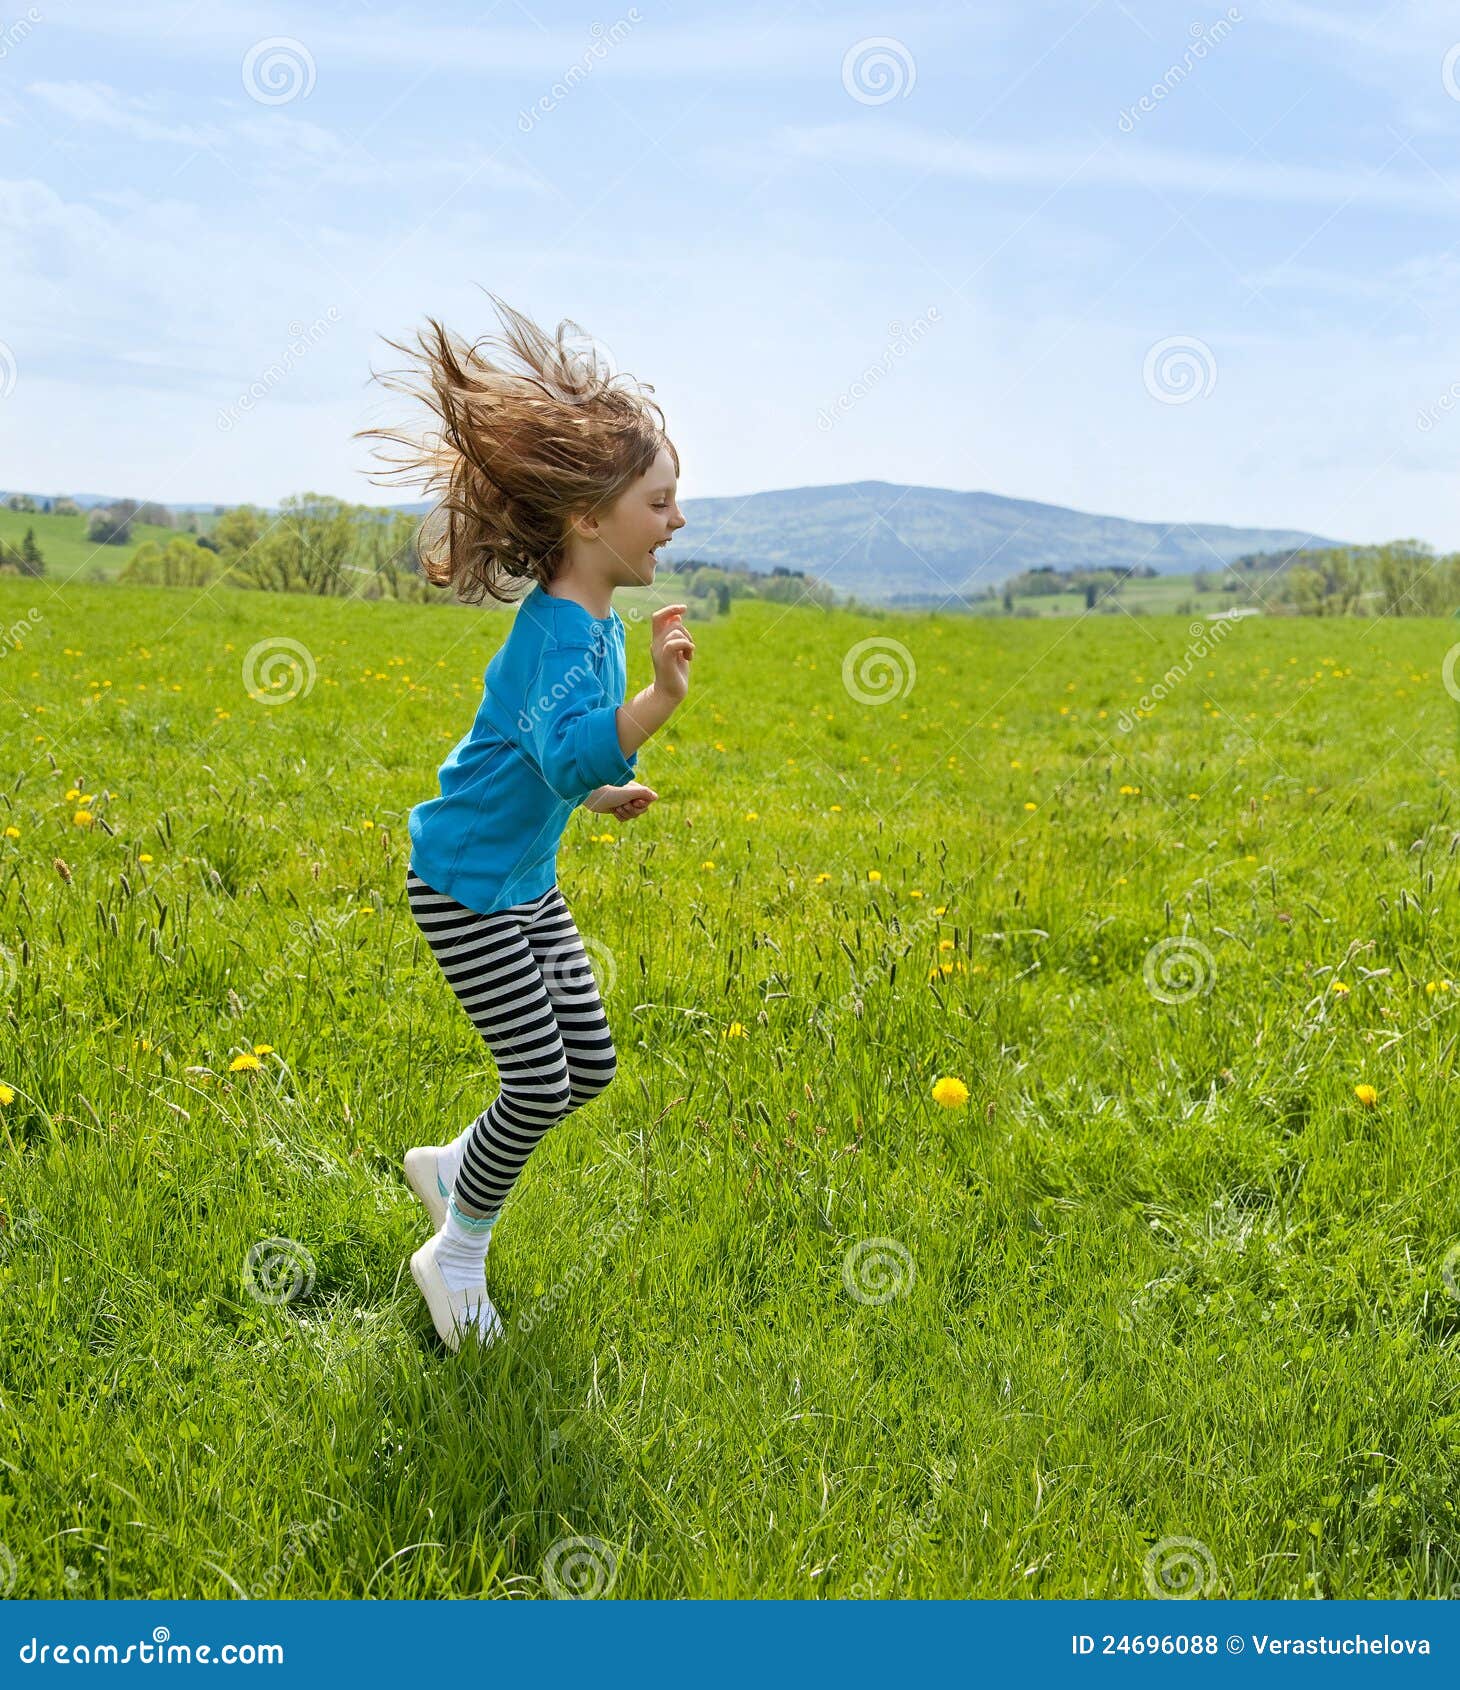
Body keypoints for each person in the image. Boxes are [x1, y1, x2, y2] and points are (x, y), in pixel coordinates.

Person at [356, 293, 695, 1350]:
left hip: (522, 884)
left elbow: (552, 755)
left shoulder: (589, 625)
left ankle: (455, 1164)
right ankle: (454, 1249)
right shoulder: (559, 635)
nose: (675, 520)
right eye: (659, 500)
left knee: (585, 1065)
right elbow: (564, 742)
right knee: (538, 1078)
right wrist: (657, 708)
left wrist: (598, 791)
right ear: (589, 519)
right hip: (463, 886)